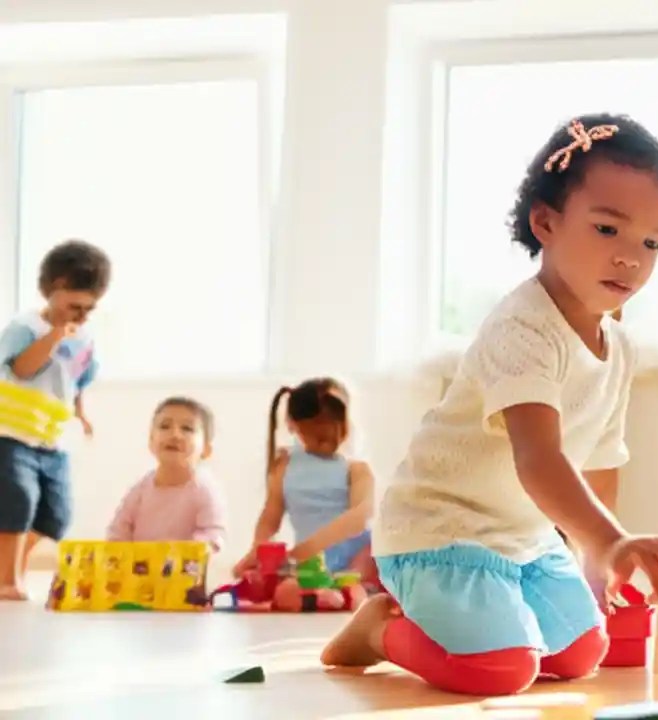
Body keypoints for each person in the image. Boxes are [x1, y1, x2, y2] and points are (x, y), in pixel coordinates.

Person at [320, 113, 658, 696]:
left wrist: (604, 561)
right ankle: (378, 630)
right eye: (608, 230)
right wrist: (611, 542)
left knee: (582, 655)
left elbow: (599, 463)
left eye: (652, 242)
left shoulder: (619, 347)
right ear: (546, 222)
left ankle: (488, 617)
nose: (631, 256)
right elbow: (539, 457)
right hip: (440, 531)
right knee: (499, 671)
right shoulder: (523, 328)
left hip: (523, 540)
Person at [0, 239, 110, 601]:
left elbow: (77, 380)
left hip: (52, 440)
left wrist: (82, 413)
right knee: (17, 501)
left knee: (56, 516)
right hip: (12, 433)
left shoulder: (83, 338)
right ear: (55, 289)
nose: (81, 316)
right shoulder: (26, 327)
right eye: (75, 306)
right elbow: (23, 368)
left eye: (89, 310)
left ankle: (10, 567)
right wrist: (55, 334)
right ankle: (7, 579)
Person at [233, 378, 378, 592]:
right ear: (292, 424)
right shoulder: (284, 465)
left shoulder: (356, 469)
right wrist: (258, 552)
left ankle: (352, 590)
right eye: (316, 435)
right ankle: (324, 592)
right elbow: (270, 517)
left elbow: (359, 517)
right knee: (279, 583)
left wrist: (305, 550)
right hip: (309, 561)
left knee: (373, 555)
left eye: (334, 431)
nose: (326, 440)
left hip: (354, 552)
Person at [106, 397, 226, 551]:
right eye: (164, 426)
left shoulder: (205, 489)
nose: (175, 434)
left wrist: (196, 548)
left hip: (183, 571)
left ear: (206, 450)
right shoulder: (141, 489)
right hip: (138, 571)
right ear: (151, 441)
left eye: (187, 429)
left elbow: (213, 532)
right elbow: (119, 529)